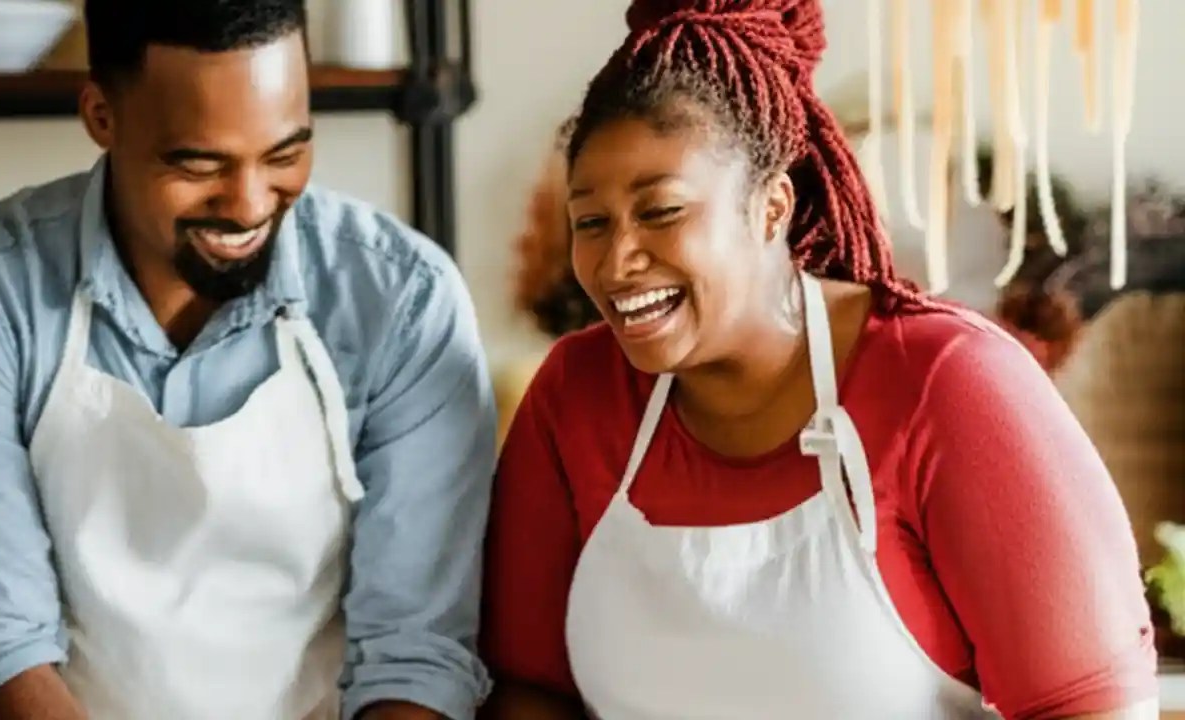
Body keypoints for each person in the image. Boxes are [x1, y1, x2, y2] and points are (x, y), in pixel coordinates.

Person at [480, 1, 1160, 719]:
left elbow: (1090, 707)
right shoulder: (575, 395)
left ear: (772, 207)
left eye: (661, 212)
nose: (618, 260)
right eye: (592, 222)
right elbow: (529, 688)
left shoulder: (948, 383)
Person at [0, 1, 494, 719]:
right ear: (101, 115)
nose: (249, 206)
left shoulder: (403, 298)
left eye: (285, 154)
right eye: (199, 164)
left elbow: (416, 651)